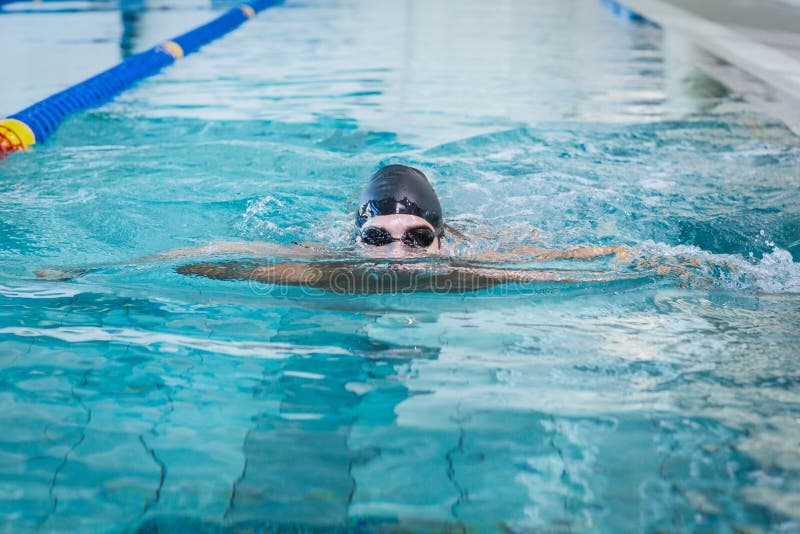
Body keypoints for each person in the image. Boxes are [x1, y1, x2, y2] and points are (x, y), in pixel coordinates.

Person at [36, 164, 657, 293]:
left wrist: (671, 264)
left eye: (417, 237)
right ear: (354, 238)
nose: (396, 255)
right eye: (377, 238)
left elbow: (593, 254)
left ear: (441, 235)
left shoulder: (478, 261)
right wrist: (95, 272)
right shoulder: (319, 262)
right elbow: (213, 252)